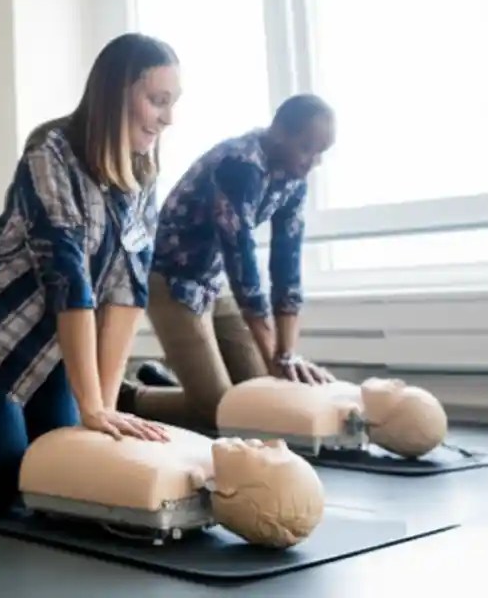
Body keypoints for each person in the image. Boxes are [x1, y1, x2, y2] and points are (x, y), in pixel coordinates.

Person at [0, 33, 180, 513]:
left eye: (172, 103)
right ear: (117, 93)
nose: (168, 118)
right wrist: (93, 407)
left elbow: (127, 291)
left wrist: (101, 411)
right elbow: (69, 280)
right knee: (2, 483)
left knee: (58, 470)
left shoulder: (142, 175)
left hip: (46, 354)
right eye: (157, 101)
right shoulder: (51, 150)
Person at [124, 94, 337, 432]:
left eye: (321, 153)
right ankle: (129, 397)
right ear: (280, 132)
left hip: (212, 282)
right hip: (169, 279)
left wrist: (286, 355)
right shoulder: (239, 165)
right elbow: (243, 262)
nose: (313, 161)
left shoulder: (293, 176)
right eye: (307, 148)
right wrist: (275, 360)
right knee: (221, 411)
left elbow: (287, 264)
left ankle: (168, 378)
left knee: (256, 397)